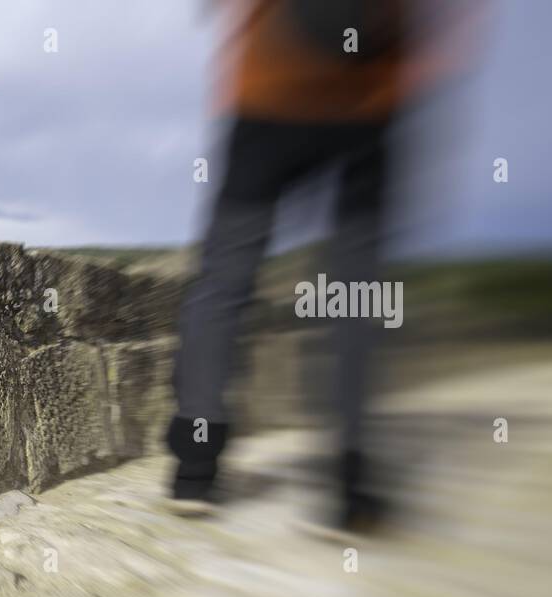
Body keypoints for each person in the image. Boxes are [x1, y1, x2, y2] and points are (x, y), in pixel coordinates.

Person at [166, 0, 473, 531]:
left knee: (224, 280)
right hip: (369, 105)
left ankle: (196, 463)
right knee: (355, 292)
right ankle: (350, 480)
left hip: (269, 91)